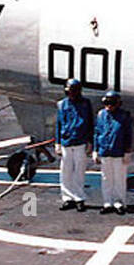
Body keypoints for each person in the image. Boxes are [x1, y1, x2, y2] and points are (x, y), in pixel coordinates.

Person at [54, 78, 94, 212]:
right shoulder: (62, 104)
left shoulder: (85, 104)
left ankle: (79, 197)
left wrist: (90, 141)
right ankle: (67, 197)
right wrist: (58, 142)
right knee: (65, 171)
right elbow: (59, 124)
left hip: (80, 141)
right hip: (66, 141)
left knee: (79, 171)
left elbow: (89, 123)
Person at [93, 91, 134, 214]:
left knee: (119, 178)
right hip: (105, 150)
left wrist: (127, 151)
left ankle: (119, 202)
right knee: (106, 178)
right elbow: (97, 132)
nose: (109, 106)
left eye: (111, 103)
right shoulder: (101, 115)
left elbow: (128, 134)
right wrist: (96, 150)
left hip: (119, 151)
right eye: (107, 103)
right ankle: (107, 202)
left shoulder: (124, 116)